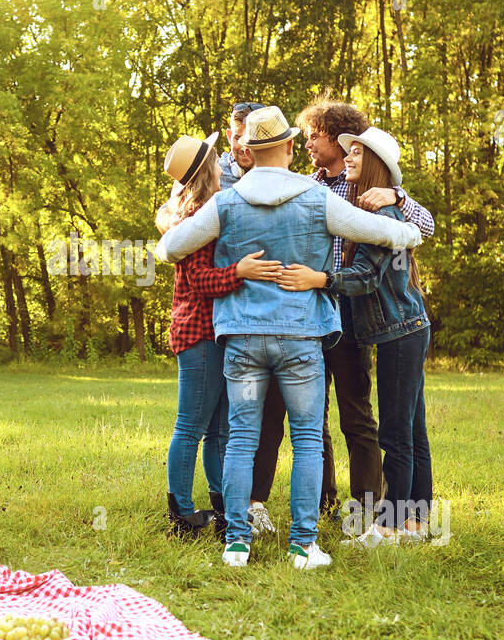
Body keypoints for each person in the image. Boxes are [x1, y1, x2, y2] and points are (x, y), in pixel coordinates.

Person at [156, 106, 423, 569]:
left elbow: (169, 249)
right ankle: (304, 545)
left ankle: (235, 543)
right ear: (290, 147)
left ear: (250, 151)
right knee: (306, 439)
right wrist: (409, 228)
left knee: (240, 438)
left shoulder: (226, 202)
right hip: (301, 337)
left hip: (241, 338)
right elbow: (384, 231)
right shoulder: (314, 196)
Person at [276, 127, 433, 545]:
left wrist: (319, 278)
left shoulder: (382, 215)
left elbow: (364, 277)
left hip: (400, 331)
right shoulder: (368, 211)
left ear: (376, 162)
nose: (349, 157)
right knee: (413, 429)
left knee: (397, 434)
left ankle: (386, 527)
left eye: (358, 153)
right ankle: (416, 523)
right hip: (403, 329)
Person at [157, 101, 281, 534]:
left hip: (217, 332)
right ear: (209, 169)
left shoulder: (209, 206)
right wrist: (239, 272)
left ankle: (220, 503)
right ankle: (181, 512)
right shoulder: (193, 216)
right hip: (199, 332)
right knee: (191, 424)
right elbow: (198, 281)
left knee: (220, 428)